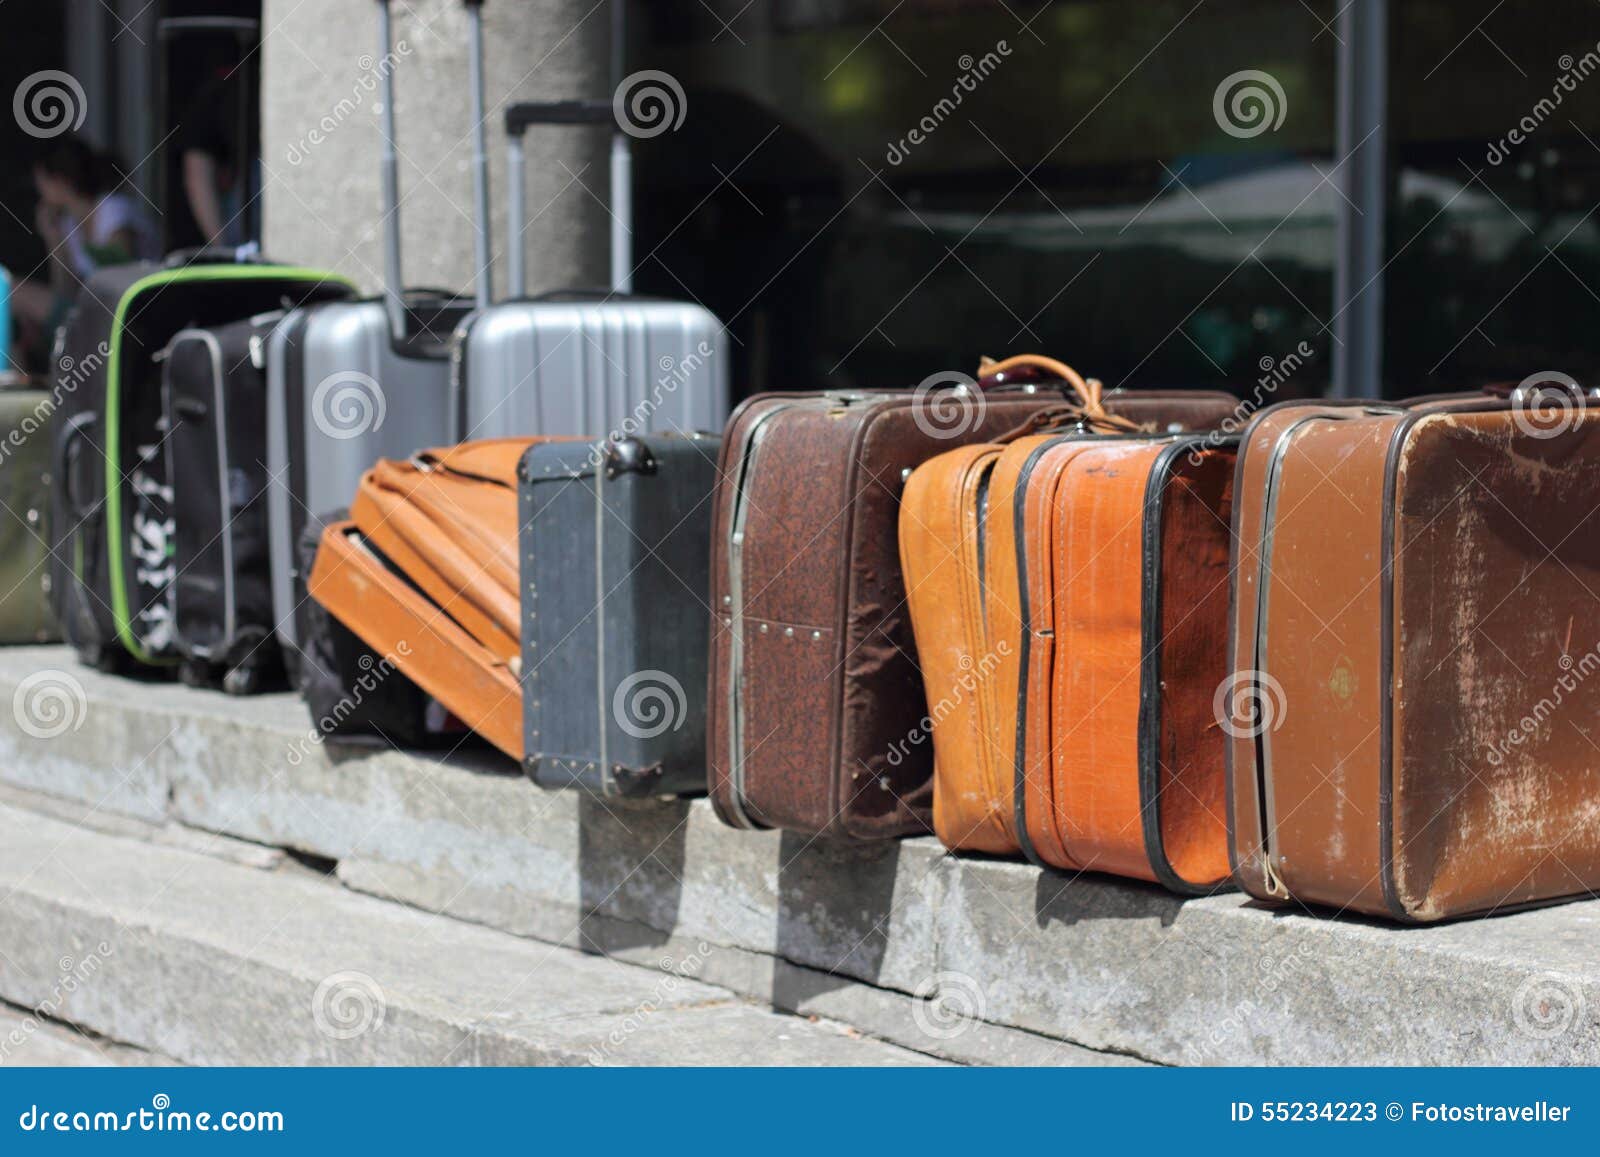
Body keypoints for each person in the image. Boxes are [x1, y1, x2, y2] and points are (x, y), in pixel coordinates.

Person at [10, 137, 161, 364]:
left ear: (59, 181)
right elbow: (64, 290)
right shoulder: (69, 225)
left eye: (41, 182)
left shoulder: (112, 210)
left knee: (12, 291)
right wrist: (53, 238)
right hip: (90, 311)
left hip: (127, 314)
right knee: (13, 301)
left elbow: (123, 275)